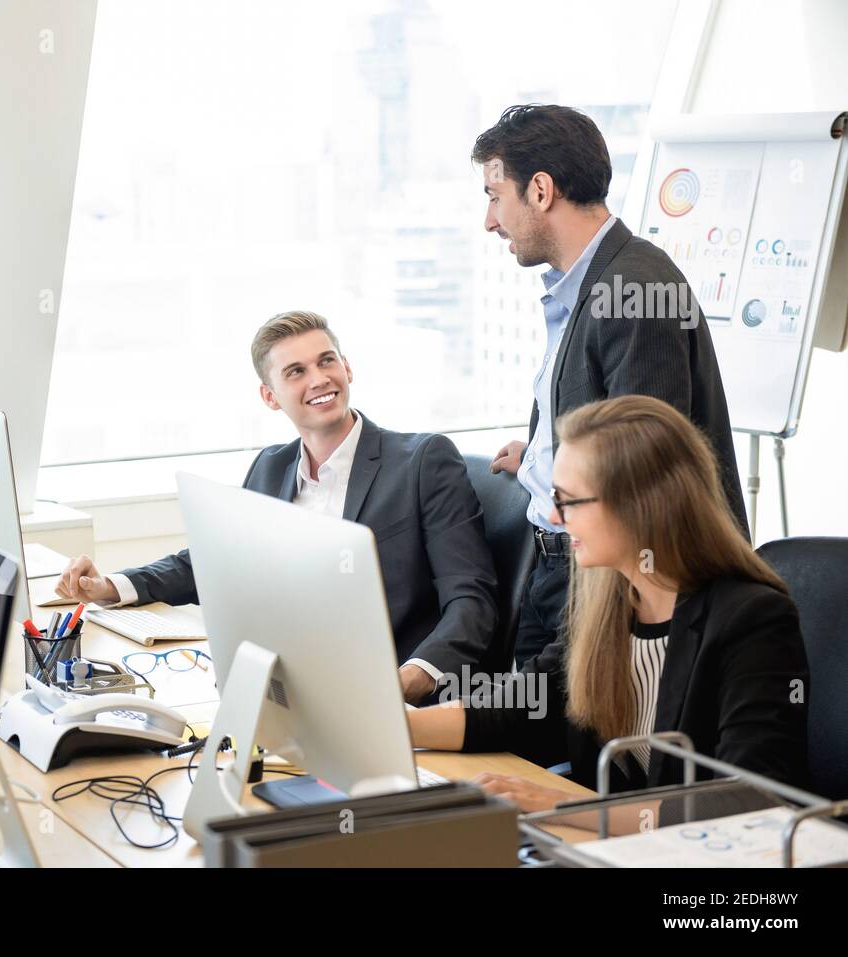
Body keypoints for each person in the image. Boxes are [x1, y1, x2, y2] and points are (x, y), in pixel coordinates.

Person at [56, 310, 497, 703]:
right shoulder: (272, 467)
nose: (319, 379)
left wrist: (408, 680)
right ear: (270, 396)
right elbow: (212, 563)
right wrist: (111, 586)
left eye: (327, 361)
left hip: (387, 694)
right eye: (296, 371)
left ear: (347, 367)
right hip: (287, 690)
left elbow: (470, 599)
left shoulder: (422, 462)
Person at [407, 395, 809, 826]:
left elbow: (748, 802)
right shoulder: (606, 602)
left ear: (640, 503)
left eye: (569, 501)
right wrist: (397, 726)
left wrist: (559, 807)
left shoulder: (752, 620)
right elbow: (523, 708)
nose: (554, 517)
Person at [474, 104, 747, 667]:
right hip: (566, 568)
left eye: (494, 197)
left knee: (554, 742)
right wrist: (540, 457)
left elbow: (641, 480)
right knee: (516, 733)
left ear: (541, 190)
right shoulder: (593, 283)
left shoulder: (633, 290)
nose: (490, 220)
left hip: (608, 583)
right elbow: (604, 414)